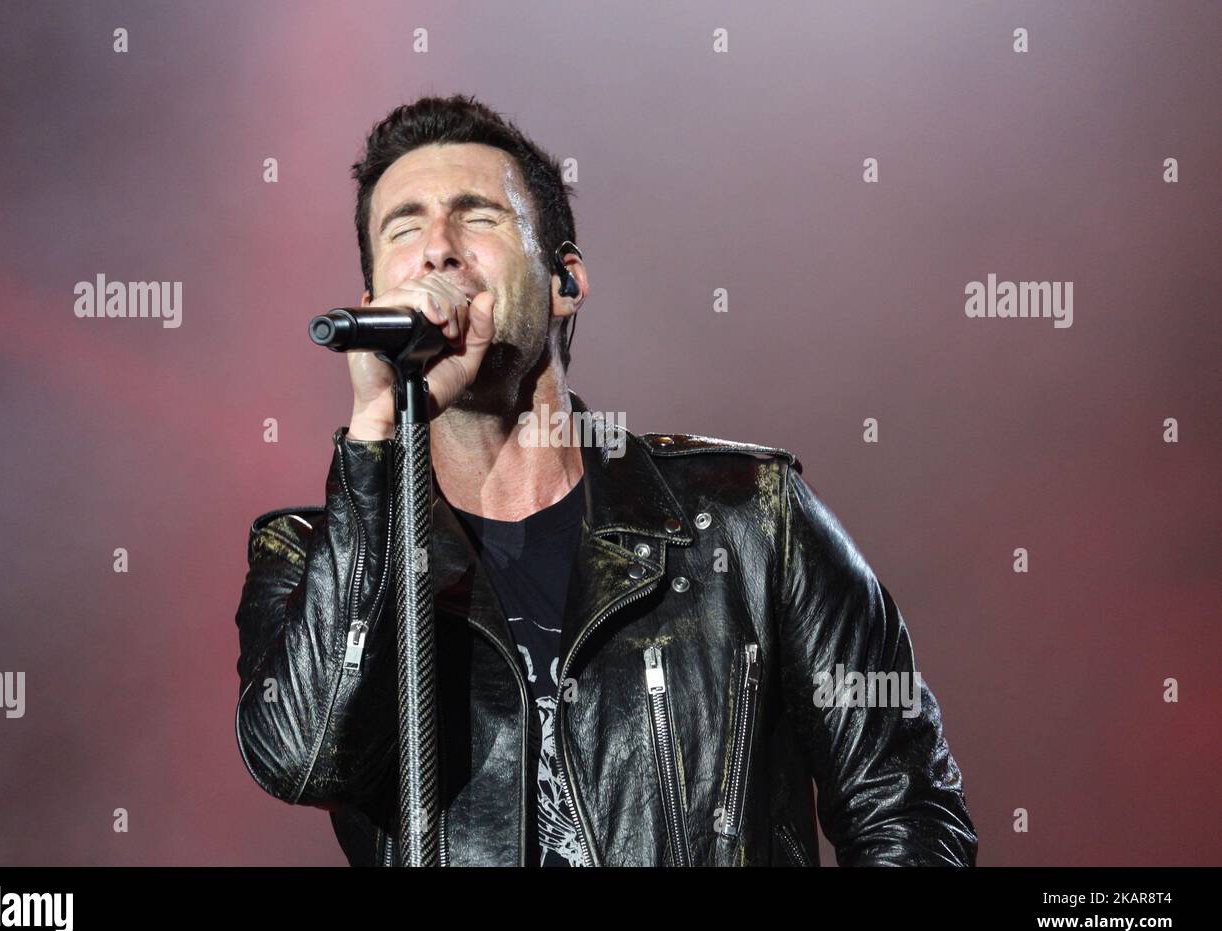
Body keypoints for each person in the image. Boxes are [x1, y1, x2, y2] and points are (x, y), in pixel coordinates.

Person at [233, 93, 977, 866]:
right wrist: (377, 436)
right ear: (372, 301)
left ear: (565, 281)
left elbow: (909, 813)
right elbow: (306, 758)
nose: (439, 251)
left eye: (478, 217)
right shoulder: (312, 555)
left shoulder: (750, 519)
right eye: (405, 227)